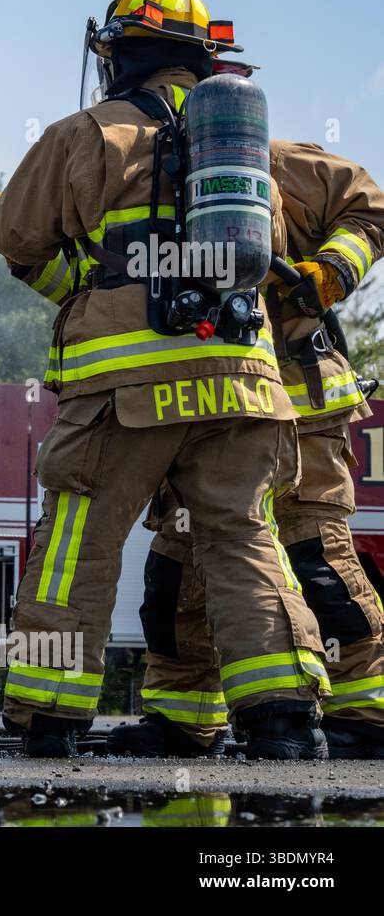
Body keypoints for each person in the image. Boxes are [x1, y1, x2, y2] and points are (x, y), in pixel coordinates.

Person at [0, 0, 329, 758]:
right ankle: (283, 720)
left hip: (128, 391)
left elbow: (15, 235)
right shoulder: (241, 160)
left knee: (78, 535)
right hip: (244, 381)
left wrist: (77, 282)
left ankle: (49, 713)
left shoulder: (88, 133)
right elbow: (266, 256)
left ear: (119, 57)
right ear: (204, 62)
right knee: (245, 535)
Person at [111, 138, 384, 759]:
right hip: (203, 409)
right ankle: (182, 719)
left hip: (299, 403)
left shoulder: (271, 160)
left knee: (312, 555)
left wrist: (332, 270)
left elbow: (370, 208)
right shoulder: (136, 174)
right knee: (177, 573)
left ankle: (363, 713)